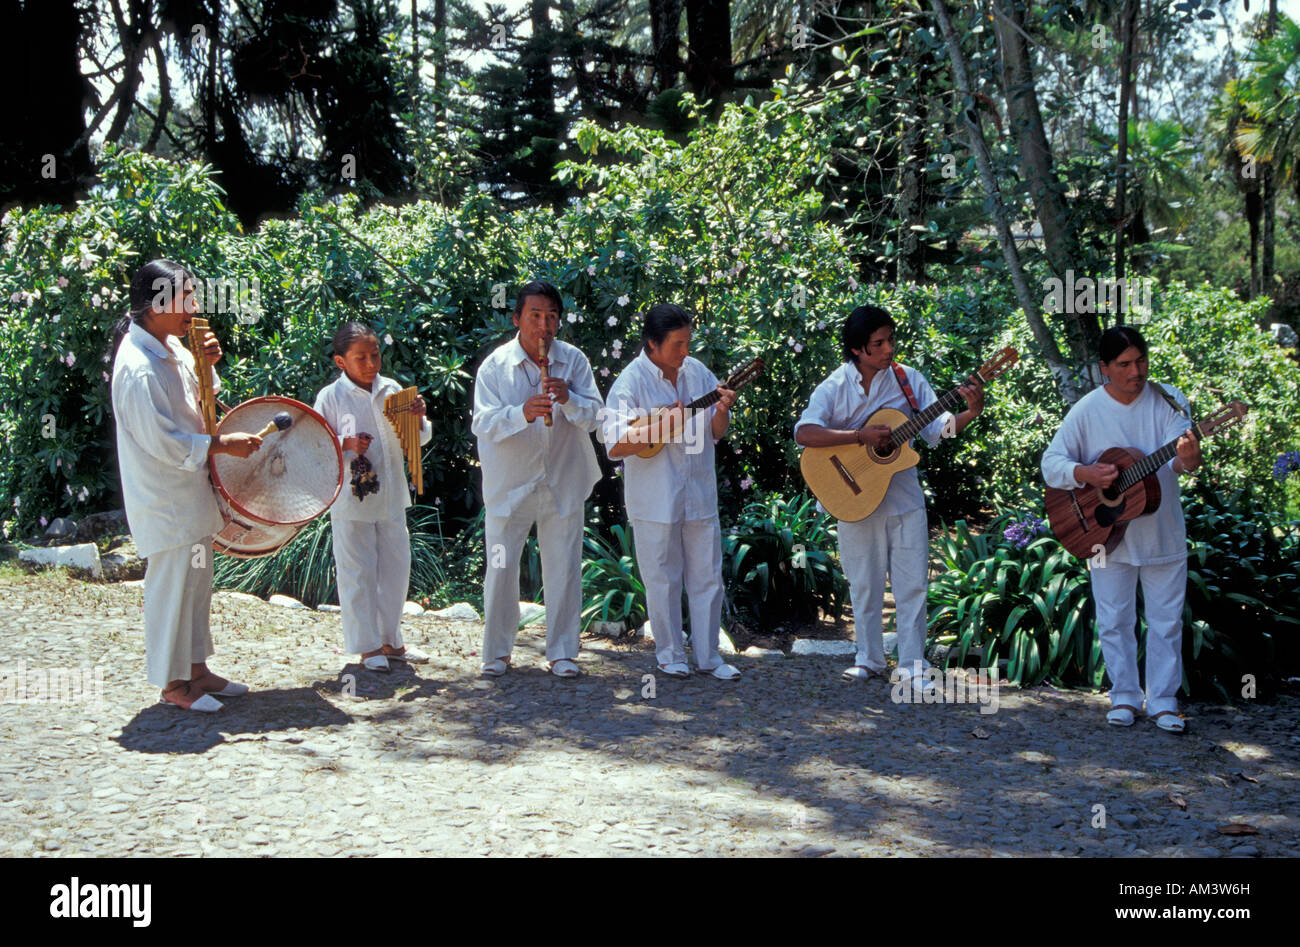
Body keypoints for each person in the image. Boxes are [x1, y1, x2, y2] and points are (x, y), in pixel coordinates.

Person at [794, 305, 984, 693]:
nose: (888, 349)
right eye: (878, 343)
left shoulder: (908, 381)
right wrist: (858, 437)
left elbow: (936, 432)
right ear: (856, 350)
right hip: (851, 498)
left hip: (904, 498)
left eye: (890, 340)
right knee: (863, 583)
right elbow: (805, 433)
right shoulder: (834, 386)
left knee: (912, 583)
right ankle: (869, 659)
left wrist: (971, 412)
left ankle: (913, 665)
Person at [111, 259, 262, 712]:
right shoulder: (137, 366)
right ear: (156, 304)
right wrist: (221, 445)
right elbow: (164, 443)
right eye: (186, 298)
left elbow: (203, 397)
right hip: (164, 496)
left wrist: (207, 362)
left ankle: (196, 669)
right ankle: (172, 683)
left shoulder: (173, 346)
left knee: (196, 584)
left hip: (190, 492)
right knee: (172, 587)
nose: (194, 308)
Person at [1041, 325, 1201, 733]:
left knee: (1166, 620)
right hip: (1104, 533)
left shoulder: (1168, 401)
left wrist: (1190, 457)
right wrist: (1085, 472)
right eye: (1125, 364)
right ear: (1104, 369)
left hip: (1161, 530)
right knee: (1114, 618)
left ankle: (1164, 700)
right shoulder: (1087, 410)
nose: (1137, 371)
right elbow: (1051, 462)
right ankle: (1125, 696)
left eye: (1141, 361)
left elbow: (1180, 464)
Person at [471, 281, 602, 677]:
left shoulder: (574, 361)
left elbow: (597, 417)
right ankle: (496, 653)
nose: (544, 326)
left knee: (563, 566)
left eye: (551, 317)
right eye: (535, 316)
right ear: (517, 319)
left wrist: (570, 399)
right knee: (501, 567)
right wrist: (523, 412)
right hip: (510, 485)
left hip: (563, 478)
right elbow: (482, 424)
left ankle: (562, 652)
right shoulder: (495, 366)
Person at [603, 303, 741, 681]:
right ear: (653, 343)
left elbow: (716, 431)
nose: (685, 351)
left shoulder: (698, 373)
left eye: (687, 342)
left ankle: (709, 656)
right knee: (662, 578)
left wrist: (723, 408)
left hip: (699, 489)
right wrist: (661, 428)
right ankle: (669, 654)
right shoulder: (630, 383)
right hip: (654, 496)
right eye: (678, 344)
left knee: (708, 576)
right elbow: (614, 443)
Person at [313, 322, 431, 672]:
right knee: (357, 571)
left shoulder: (393, 389)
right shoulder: (330, 397)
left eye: (375, 355)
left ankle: (390, 640)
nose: (370, 363)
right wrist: (345, 443)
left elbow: (419, 440)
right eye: (360, 357)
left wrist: (419, 419)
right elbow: (315, 445)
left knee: (396, 569)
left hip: (392, 493)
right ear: (340, 361)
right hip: (351, 498)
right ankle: (366, 646)